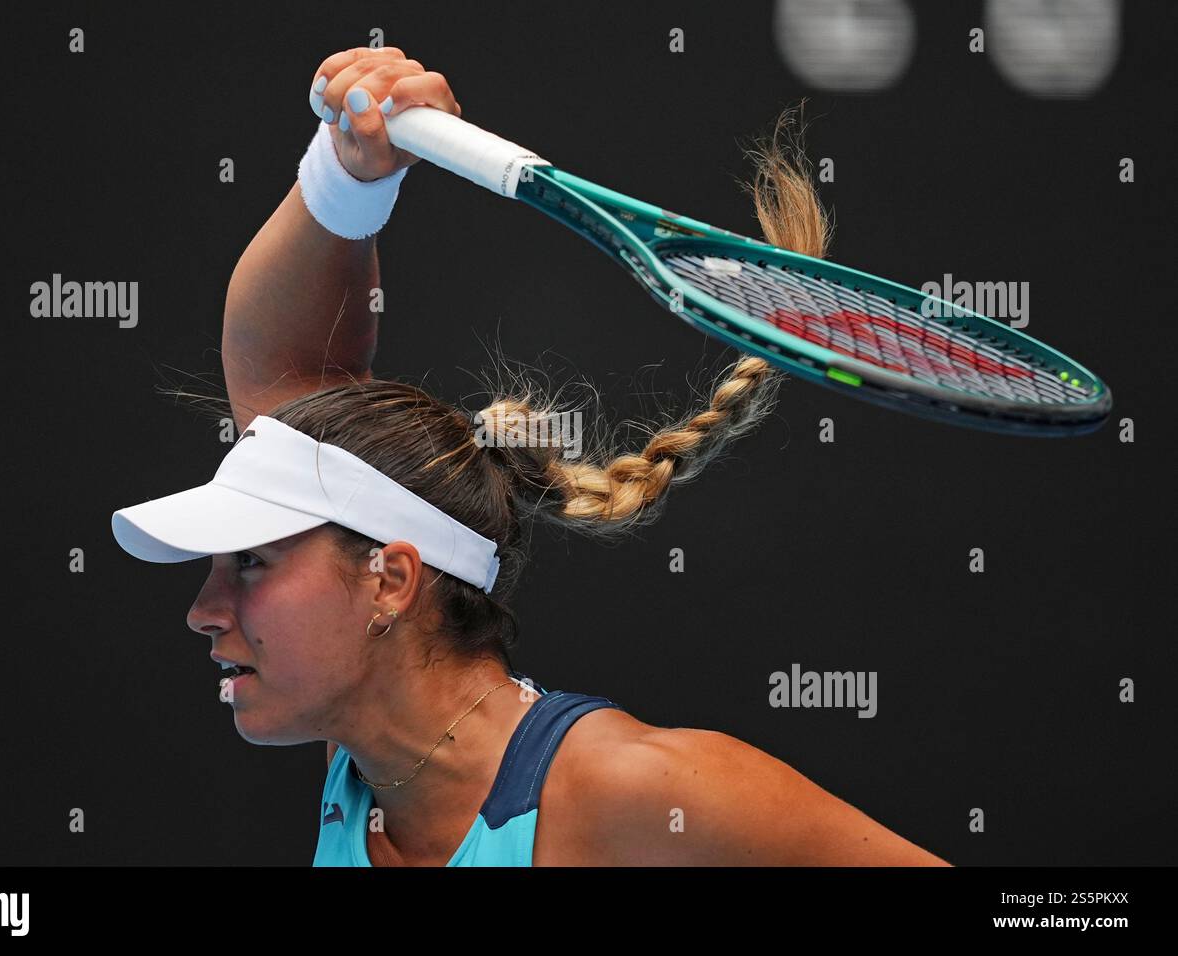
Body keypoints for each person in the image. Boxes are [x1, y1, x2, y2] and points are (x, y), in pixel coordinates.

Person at [111, 46, 950, 867]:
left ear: (390, 582)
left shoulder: (633, 790)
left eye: (252, 563)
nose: (204, 609)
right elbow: (286, 376)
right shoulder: (361, 761)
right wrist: (346, 170)